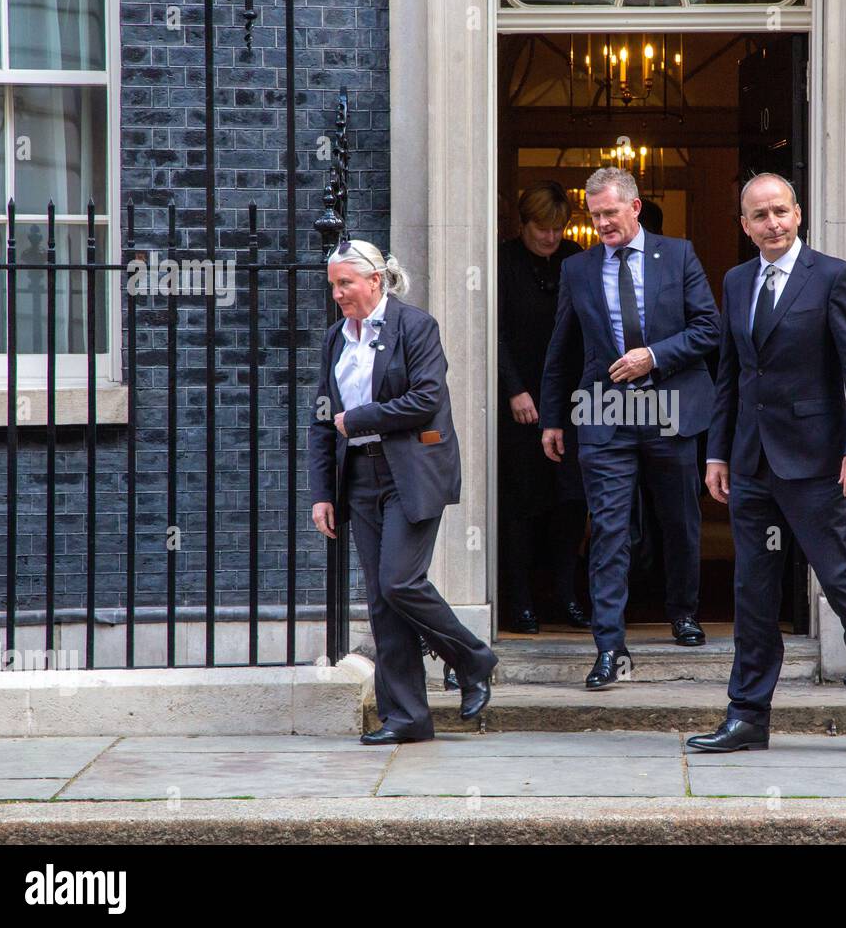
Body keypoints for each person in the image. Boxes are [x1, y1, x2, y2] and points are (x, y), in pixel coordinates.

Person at [687, 173, 846, 758]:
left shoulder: (833, 277)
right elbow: (733, 376)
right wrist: (718, 452)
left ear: (799, 214)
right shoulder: (737, 282)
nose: (772, 223)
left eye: (781, 212)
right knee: (753, 591)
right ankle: (747, 716)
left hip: (816, 464)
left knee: (841, 585)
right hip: (751, 464)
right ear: (744, 225)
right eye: (759, 216)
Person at [308, 239, 498, 744]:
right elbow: (323, 420)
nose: (338, 294)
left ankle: (472, 657)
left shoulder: (415, 326)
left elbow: (426, 397)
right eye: (333, 285)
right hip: (361, 477)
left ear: (375, 280)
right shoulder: (336, 339)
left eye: (346, 283)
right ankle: (408, 716)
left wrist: (360, 418)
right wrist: (322, 492)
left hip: (411, 473)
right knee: (381, 600)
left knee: (399, 581)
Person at [540, 167, 720, 687]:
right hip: (605, 415)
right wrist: (554, 417)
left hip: (668, 411)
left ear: (635, 207)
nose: (601, 224)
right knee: (609, 530)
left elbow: (708, 328)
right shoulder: (579, 268)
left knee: (680, 520)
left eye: (610, 214)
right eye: (594, 216)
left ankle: (683, 612)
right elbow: (562, 346)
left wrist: (654, 357)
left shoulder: (678, 254)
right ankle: (609, 646)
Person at [497, 181, 590, 634]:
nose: (550, 237)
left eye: (558, 228)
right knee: (522, 505)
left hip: (573, 399)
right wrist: (513, 389)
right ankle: (521, 600)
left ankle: (567, 595)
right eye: (541, 228)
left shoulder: (577, 259)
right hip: (520, 403)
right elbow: (491, 331)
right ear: (523, 223)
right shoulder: (503, 261)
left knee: (571, 503)